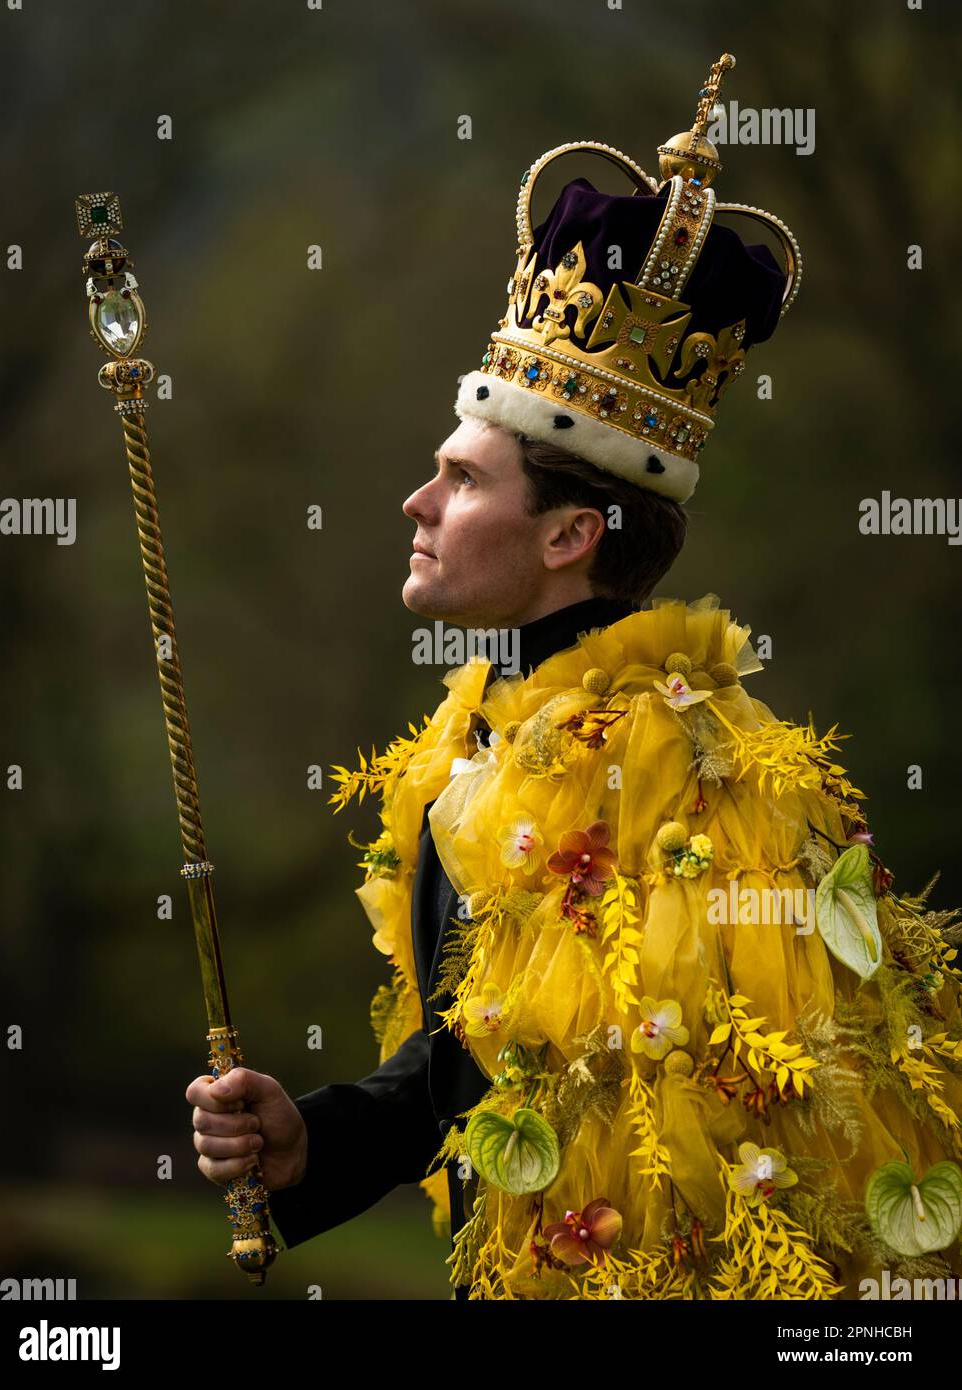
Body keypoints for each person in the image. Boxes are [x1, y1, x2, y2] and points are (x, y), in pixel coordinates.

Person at [188, 56, 962, 1300]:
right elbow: (486, 1078)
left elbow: (733, 1157)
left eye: (463, 478)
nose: (417, 500)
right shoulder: (474, 739)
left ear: (567, 536)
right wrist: (313, 1140)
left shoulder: (706, 779)